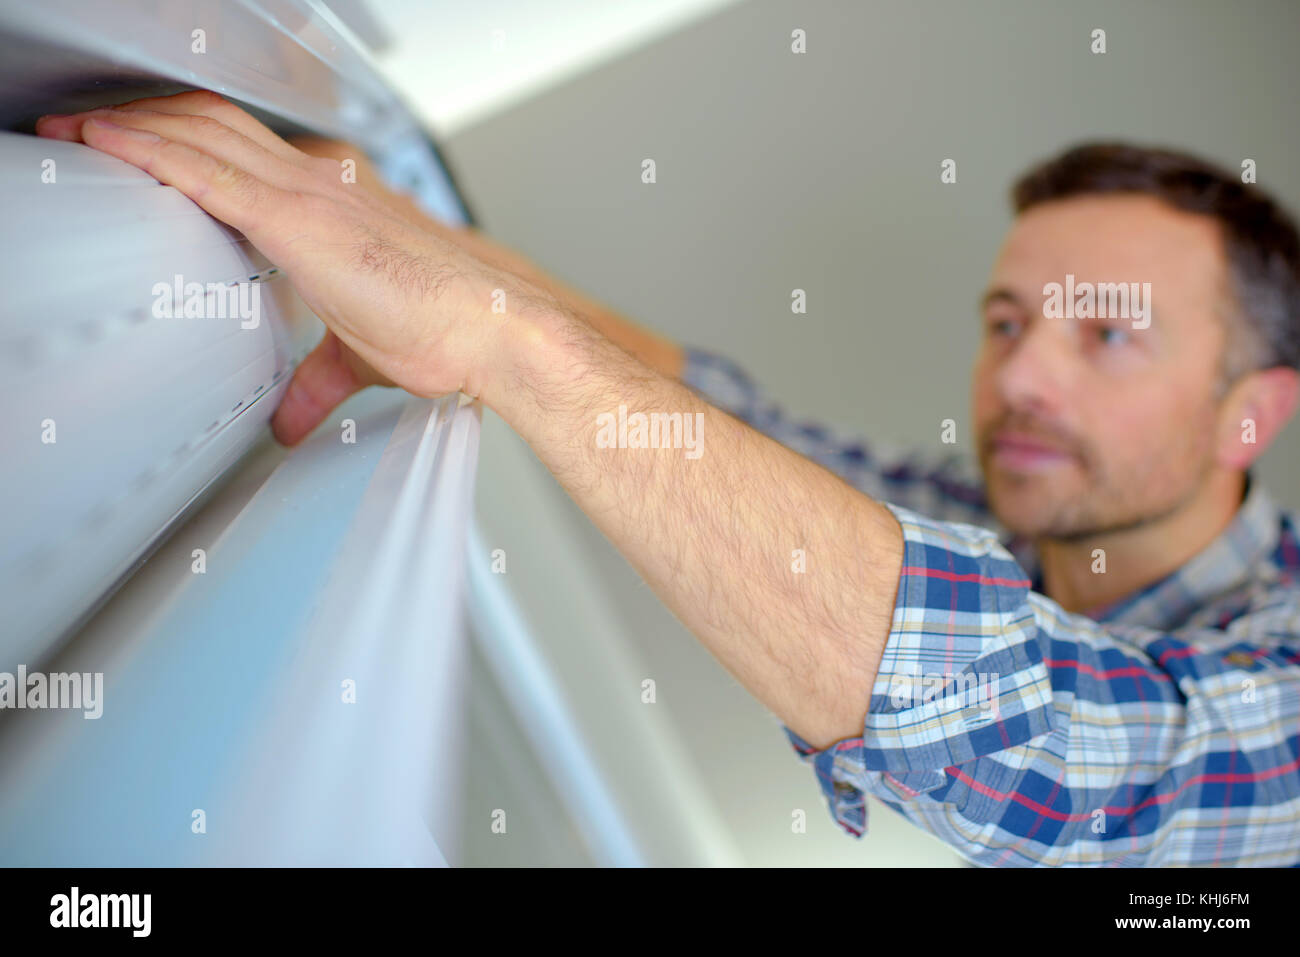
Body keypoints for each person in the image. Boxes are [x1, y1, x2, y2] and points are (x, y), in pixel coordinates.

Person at [36, 91, 1300, 867]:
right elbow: (717, 425)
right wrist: (407, 236)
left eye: (1106, 335)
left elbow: (1076, 756)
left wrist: (494, 340)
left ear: (1253, 415)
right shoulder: (1023, 528)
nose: (1023, 380)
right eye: (1010, 322)